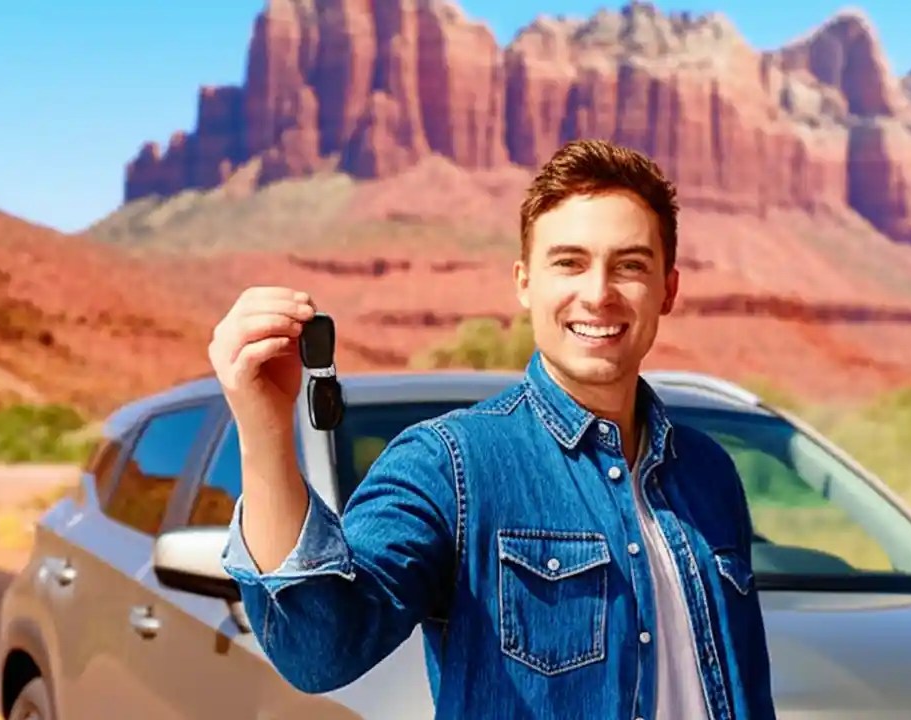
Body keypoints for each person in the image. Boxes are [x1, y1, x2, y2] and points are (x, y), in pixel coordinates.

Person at [211, 138, 776, 719]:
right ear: (525, 282)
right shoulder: (451, 465)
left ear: (669, 290)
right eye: (569, 262)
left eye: (630, 265)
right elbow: (319, 652)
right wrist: (265, 430)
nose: (599, 293)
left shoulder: (708, 473)